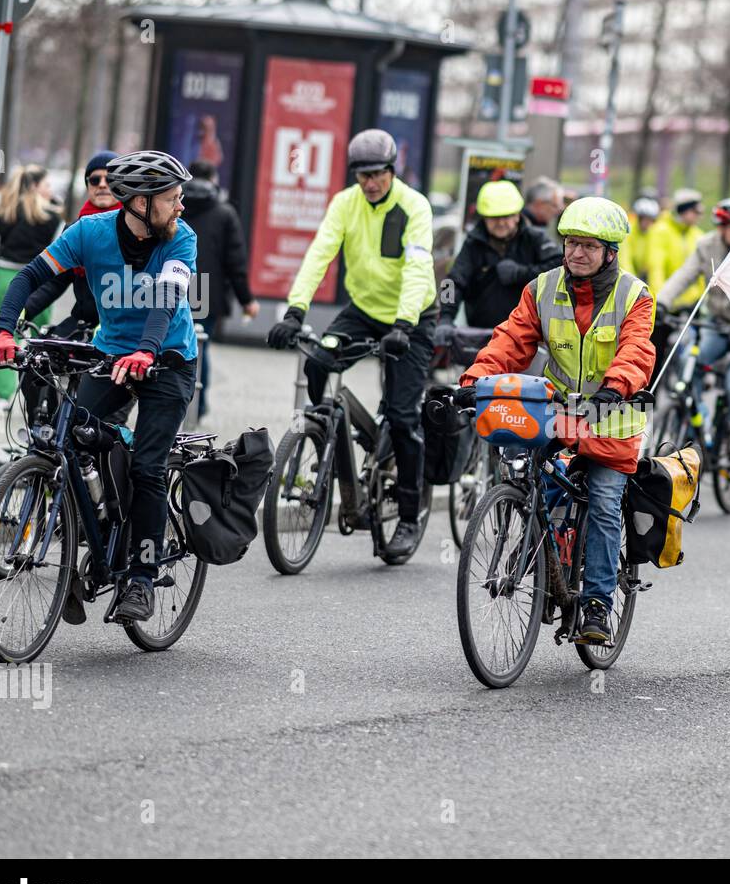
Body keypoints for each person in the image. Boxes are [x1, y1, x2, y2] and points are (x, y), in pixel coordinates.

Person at [0, 150, 199, 624]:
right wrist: (3, 329)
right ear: (141, 202)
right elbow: (30, 275)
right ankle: (100, 537)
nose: (180, 205)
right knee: (73, 441)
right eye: (172, 197)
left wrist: (146, 350)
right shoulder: (90, 232)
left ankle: (142, 577)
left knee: (148, 467)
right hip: (109, 356)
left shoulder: (181, 238)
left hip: (168, 360)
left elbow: (167, 299)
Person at [452, 197, 655, 645]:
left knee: (603, 505)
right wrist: (474, 381)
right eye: (569, 243)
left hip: (611, 422)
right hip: (557, 418)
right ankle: (549, 571)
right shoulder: (542, 288)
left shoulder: (633, 296)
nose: (576, 253)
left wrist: (614, 388)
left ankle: (598, 604)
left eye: (587, 245)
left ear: (610, 252)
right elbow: (510, 340)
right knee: (539, 487)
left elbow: (637, 350)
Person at [266, 128, 437, 561]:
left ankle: (411, 516)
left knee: (401, 418)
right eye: (362, 176)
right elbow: (319, 253)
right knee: (319, 360)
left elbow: (418, 268)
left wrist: (403, 323)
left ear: (391, 171)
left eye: (377, 174)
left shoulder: (414, 206)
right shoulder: (345, 203)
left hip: (411, 318)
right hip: (362, 310)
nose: (370, 183)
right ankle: (323, 432)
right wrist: (294, 311)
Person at [658, 198, 730, 486]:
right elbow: (684, 275)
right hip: (718, 326)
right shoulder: (707, 246)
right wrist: (661, 302)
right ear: (720, 228)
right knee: (687, 365)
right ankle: (699, 420)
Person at [181, 159, 258, 420]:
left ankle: (176, 403)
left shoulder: (174, 204)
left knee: (172, 345)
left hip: (173, 285)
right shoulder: (224, 213)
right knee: (201, 346)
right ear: (213, 179)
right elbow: (235, 262)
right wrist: (246, 300)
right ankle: (198, 407)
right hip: (207, 291)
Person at [436, 179, 562, 336]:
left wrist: (521, 273)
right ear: (484, 218)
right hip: (481, 336)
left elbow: (559, 267)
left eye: (507, 217)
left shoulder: (534, 239)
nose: (501, 223)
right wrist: (445, 318)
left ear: (517, 216)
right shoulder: (473, 244)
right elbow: (452, 282)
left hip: (527, 335)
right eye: (495, 217)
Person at [21, 151, 122, 339]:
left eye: (110, 178)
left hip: (123, 325)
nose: (102, 184)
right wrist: (23, 311)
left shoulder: (134, 226)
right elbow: (56, 281)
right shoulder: (75, 229)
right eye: (94, 179)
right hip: (83, 322)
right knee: (43, 357)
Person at [0, 164, 63, 406]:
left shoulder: (4, 211)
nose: (50, 189)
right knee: (39, 338)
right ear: (35, 186)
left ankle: (3, 396)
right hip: (39, 281)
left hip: (5, 275)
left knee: (3, 333)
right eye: (47, 185)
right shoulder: (52, 217)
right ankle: (34, 395)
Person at [646, 188, 704, 307]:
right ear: (684, 211)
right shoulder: (660, 230)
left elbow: (702, 274)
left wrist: (702, 299)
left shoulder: (699, 235)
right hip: (666, 303)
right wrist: (659, 300)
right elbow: (656, 269)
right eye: (695, 211)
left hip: (692, 305)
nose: (699, 216)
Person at [617, 195, 660, 284]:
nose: (647, 223)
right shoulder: (629, 232)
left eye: (650, 220)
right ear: (639, 218)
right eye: (645, 219)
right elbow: (625, 258)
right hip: (631, 275)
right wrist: (632, 281)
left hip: (645, 275)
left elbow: (655, 261)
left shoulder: (654, 233)